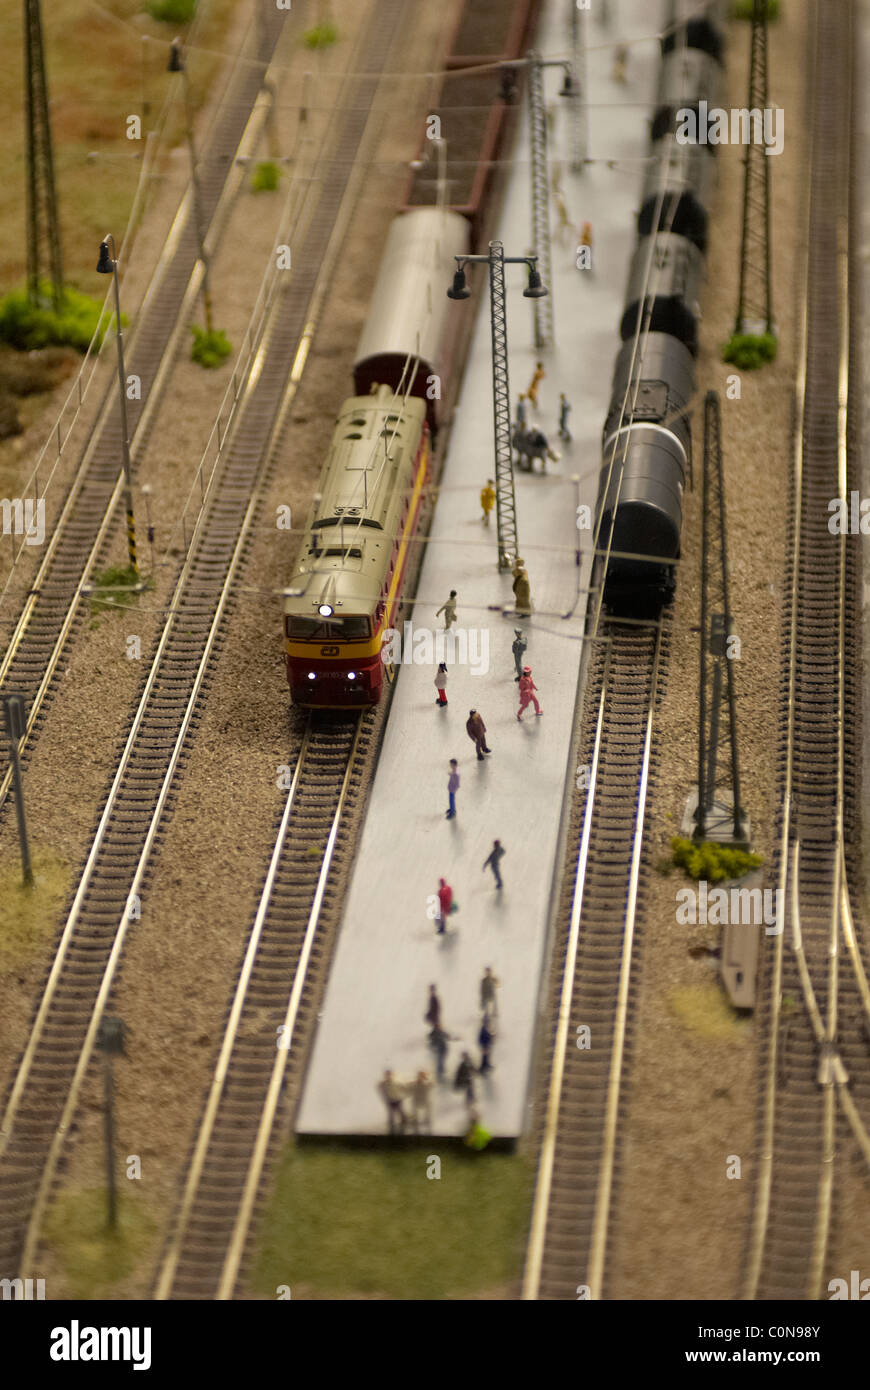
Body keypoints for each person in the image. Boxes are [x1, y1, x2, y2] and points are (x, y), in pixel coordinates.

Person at [377, 1069, 407, 1134]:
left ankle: (404, 1124)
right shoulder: (383, 1083)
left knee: (400, 1111)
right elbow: (381, 1090)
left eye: (389, 1074)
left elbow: (404, 1088)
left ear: (392, 1075)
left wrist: (402, 1095)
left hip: (398, 1099)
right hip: (390, 1100)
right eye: (387, 1075)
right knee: (391, 1113)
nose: (388, 1076)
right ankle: (391, 1127)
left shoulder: (397, 1082)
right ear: (385, 1075)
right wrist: (385, 1097)